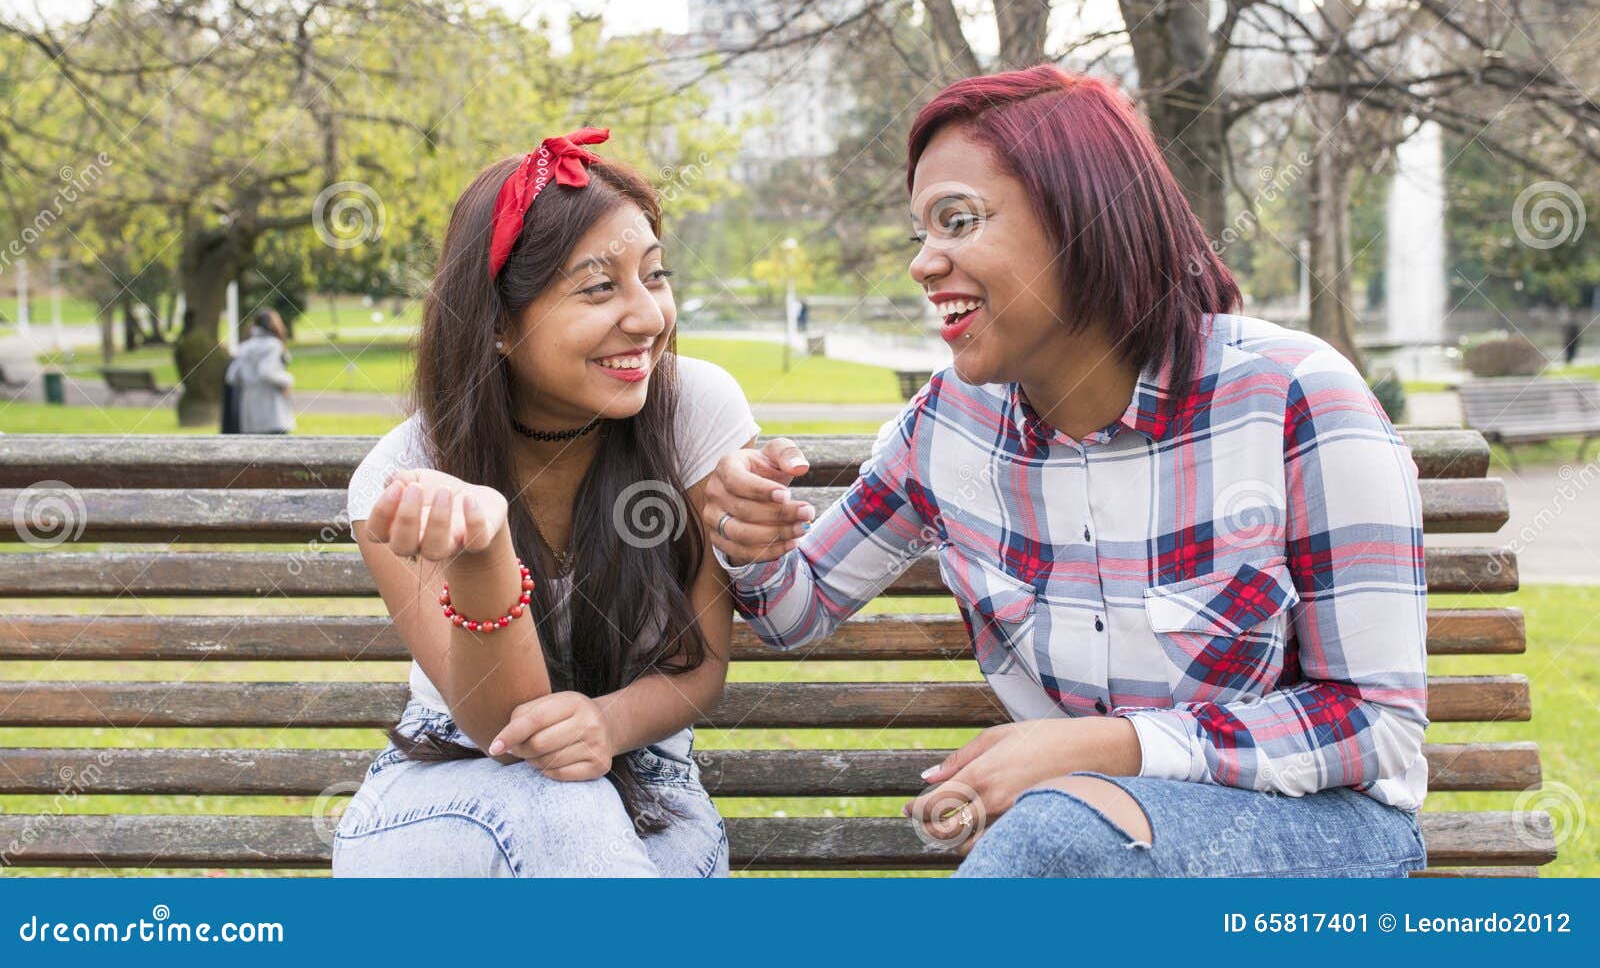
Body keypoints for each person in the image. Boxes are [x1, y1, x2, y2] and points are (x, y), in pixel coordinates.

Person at [703, 67, 1430, 878]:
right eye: (920, 235)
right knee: (1068, 835)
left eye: (956, 221)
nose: (923, 264)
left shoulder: (1294, 396)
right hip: (1090, 838)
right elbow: (796, 611)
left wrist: (1103, 751)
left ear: (1082, 217)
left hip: (1319, 826)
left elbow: (1373, 722)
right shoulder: (947, 427)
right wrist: (752, 533)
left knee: (1063, 832)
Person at [333, 129, 763, 877]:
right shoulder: (403, 480)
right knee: (567, 814)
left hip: (649, 777)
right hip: (450, 777)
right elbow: (504, 727)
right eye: (599, 288)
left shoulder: (696, 410)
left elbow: (699, 665)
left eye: (654, 276)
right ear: (499, 323)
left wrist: (607, 722)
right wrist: (484, 550)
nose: (648, 317)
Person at [225, 309, 294, 435]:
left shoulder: (245, 347)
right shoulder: (274, 345)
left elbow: (232, 376)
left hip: (249, 414)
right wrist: (287, 380)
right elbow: (266, 372)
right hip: (273, 412)